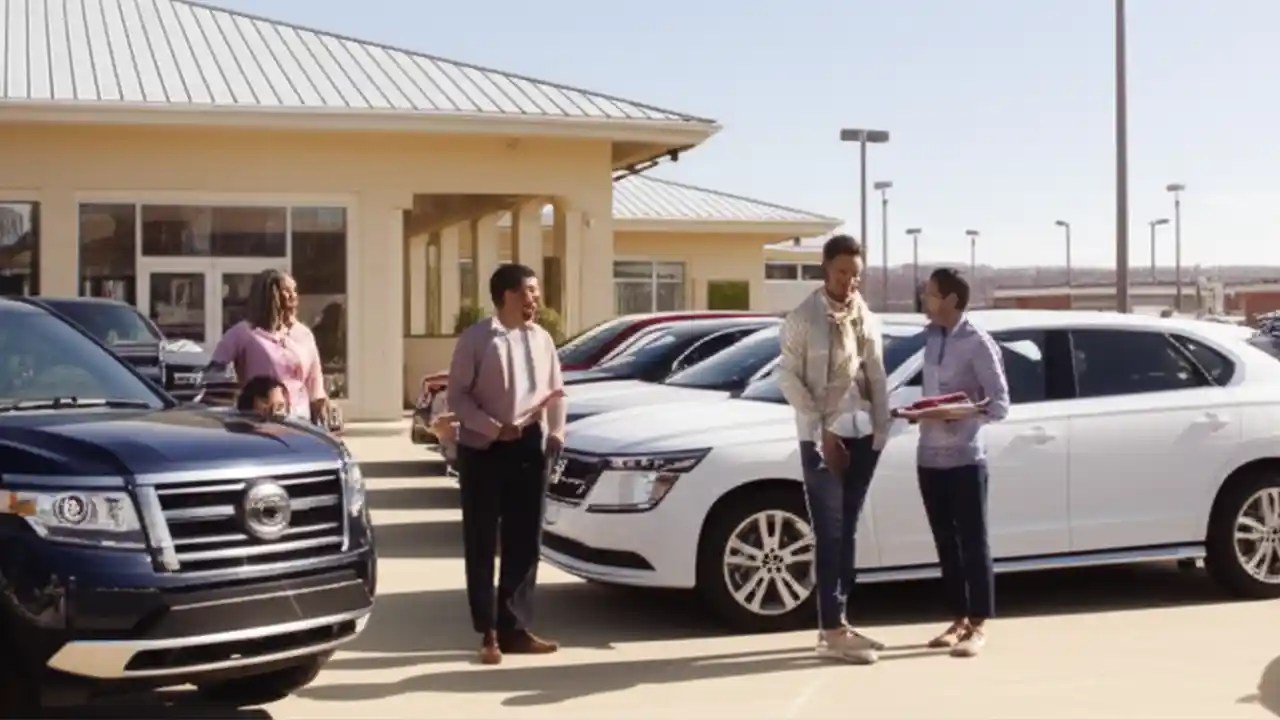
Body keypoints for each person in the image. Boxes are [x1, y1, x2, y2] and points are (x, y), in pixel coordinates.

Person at [776, 234, 890, 665]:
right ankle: (831, 627)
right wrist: (821, 428)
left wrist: (882, 429)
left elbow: (876, 374)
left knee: (849, 531)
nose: (849, 281)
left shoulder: (865, 316)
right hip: (823, 437)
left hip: (863, 434)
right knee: (830, 530)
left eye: (855, 274)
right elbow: (786, 375)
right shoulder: (803, 316)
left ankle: (839, 621)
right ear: (826, 269)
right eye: (842, 272)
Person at [447, 263, 566, 666]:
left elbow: (556, 393)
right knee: (482, 540)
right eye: (529, 291)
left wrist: (556, 432)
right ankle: (489, 631)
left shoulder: (542, 339)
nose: (536, 298)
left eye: (536, 291)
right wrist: (493, 429)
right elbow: (457, 399)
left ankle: (515, 627)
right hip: (484, 448)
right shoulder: (477, 339)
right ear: (508, 295)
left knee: (524, 537)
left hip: (529, 446)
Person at [906, 268, 1009, 658]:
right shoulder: (932, 338)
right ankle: (958, 618)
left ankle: (978, 624)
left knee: (972, 541)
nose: (925, 301)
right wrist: (919, 411)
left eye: (931, 295)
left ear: (951, 300)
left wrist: (958, 413)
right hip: (928, 457)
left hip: (965, 459)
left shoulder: (977, 342)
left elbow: (999, 405)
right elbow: (931, 392)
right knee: (945, 543)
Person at [208, 269, 331, 425]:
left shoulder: (304, 334)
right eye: (286, 291)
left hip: (301, 423)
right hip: (258, 424)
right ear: (268, 296)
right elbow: (216, 380)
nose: (294, 296)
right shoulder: (242, 333)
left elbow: (315, 383)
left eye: (295, 291)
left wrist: (324, 408)